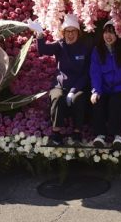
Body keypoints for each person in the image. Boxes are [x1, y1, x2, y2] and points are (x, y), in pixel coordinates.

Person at [36, 15, 93, 144]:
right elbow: (43, 49)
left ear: (78, 33)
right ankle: (56, 134)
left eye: (73, 31)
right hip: (60, 85)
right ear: (63, 32)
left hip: (77, 86)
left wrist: (73, 91)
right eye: (68, 31)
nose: (70, 34)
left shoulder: (84, 49)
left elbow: (85, 74)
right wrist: (39, 35)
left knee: (79, 98)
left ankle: (77, 134)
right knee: (57, 97)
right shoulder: (60, 45)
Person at [89, 22, 121, 148]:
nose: (108, 36)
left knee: (115, 102)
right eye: (106, 32)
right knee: (97, 101)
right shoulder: (97, 51)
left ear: (118, 34)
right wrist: (96, 91)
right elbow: (95, 72)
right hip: (104, 88)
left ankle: (117, 136)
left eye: (112, 32)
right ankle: (100, 135)